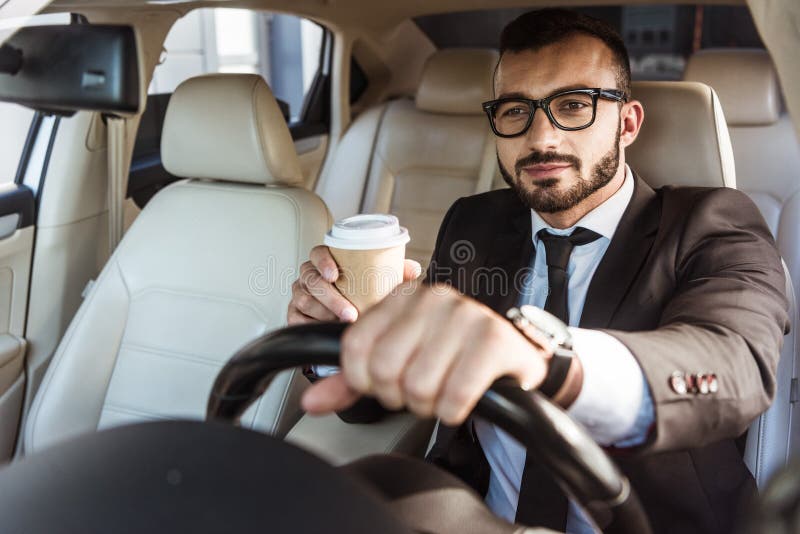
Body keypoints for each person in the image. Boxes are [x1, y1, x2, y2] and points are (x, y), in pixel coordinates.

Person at [287, 9, 789, 534]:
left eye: (574, 105)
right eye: (514, 110)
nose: (542, 136)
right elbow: (380, 400)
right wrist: (342, 338)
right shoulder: (473, 223)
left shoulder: (712, 221)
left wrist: (550, 360)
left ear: (628, 122)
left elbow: (735, 366)